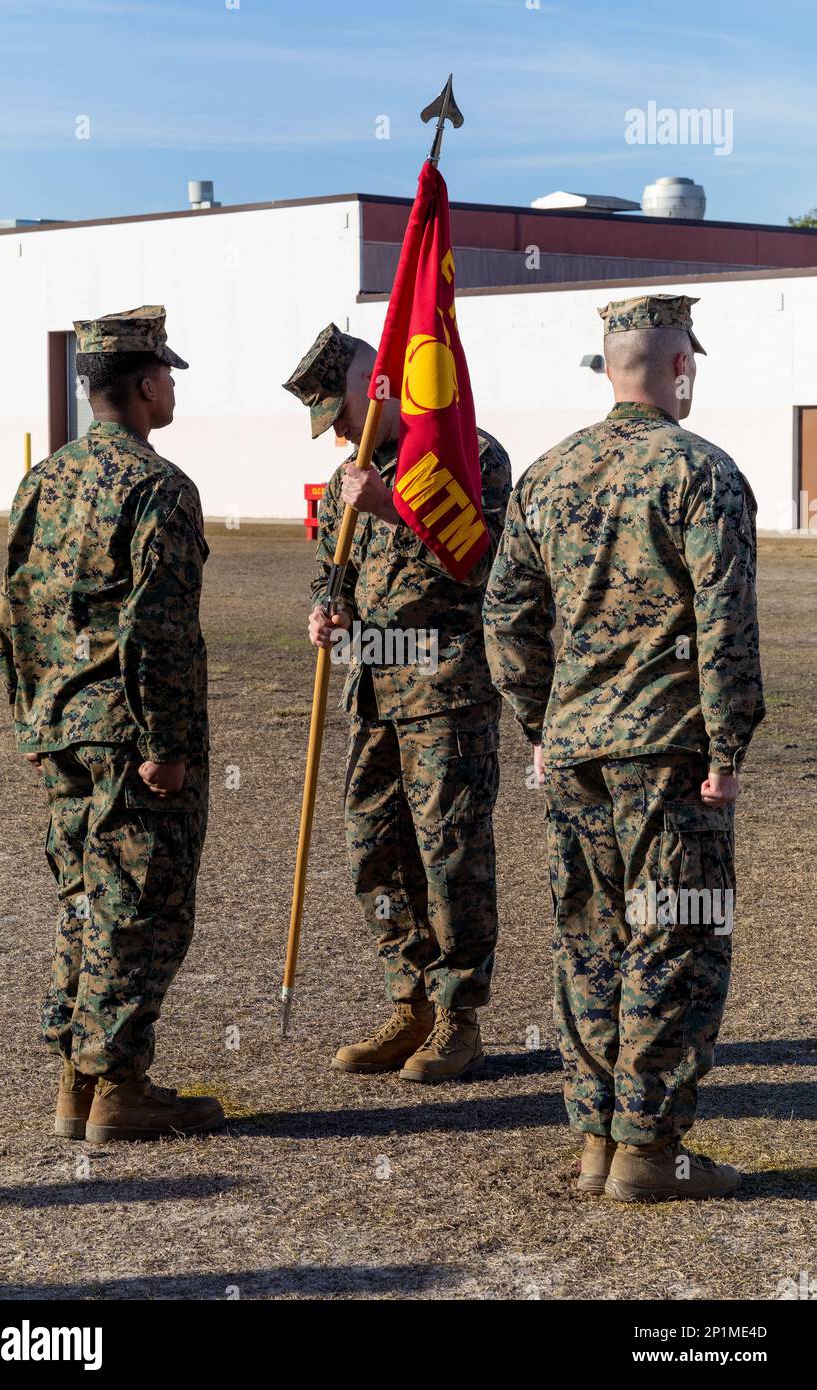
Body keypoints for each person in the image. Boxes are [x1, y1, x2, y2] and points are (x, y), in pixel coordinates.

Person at [483, 295, 765, 1200]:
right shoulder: (703, 473)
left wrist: (542, 723)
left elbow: (505, 619)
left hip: (574, 754)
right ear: (680, 366)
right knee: (675, 936)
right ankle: (649, 1148)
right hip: (669, 751)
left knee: (591, 940)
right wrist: (726, 749)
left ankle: (600, 1138)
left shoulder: (547, 474)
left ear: (609, 366)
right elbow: (725, 627)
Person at [0, 305, 223, 1144]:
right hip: (128, 733)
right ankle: (119, 1087)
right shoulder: (159, 486)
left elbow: (12, 614)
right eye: (167, 377)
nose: (171, 390)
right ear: (145, 384)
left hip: (61, 728)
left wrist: (36, 715)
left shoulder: (43, 480)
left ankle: (75, 1083)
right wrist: (166, 745)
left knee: (85, 900)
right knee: (141, 908)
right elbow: (156, 628)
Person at [284, 323, 511, 1082]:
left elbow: (493, 569)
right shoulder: (354, 472)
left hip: (446, 692)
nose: (338, 432)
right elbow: (332, 573)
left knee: (451, 858)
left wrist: (394, 507)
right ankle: (408, 999)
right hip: (373, 691)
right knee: (376, 854)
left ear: (372, 384)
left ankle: (458, 1016)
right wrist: (326, 610)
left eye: (339, 412)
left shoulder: (470, 456)